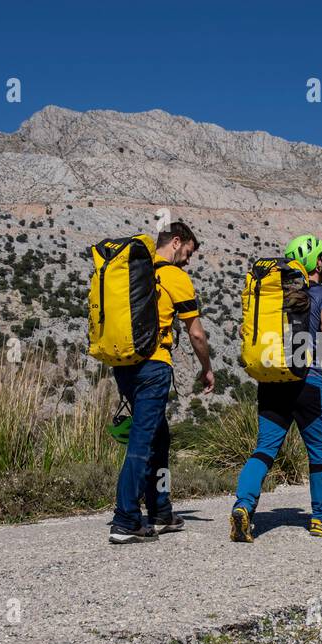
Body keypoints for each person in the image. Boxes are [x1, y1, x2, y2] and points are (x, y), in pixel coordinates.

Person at [230, 234, 322, 542]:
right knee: (319, 453)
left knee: (264, 450)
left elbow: (246, 329)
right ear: (319, 261)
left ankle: (244, 506)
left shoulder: (272, 295)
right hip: (307, 380)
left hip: (272, 381)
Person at [109, 221, 215, 544]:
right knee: (142, 441)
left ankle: (160, 510)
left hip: (124, 364)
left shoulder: (133, 273)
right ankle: (126, 519)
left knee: (160, 436)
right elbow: (196, 332)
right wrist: (207, 368)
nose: (188, 260)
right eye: (188, 252)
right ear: (177, 242)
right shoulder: (174, 277)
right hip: (154, 367)